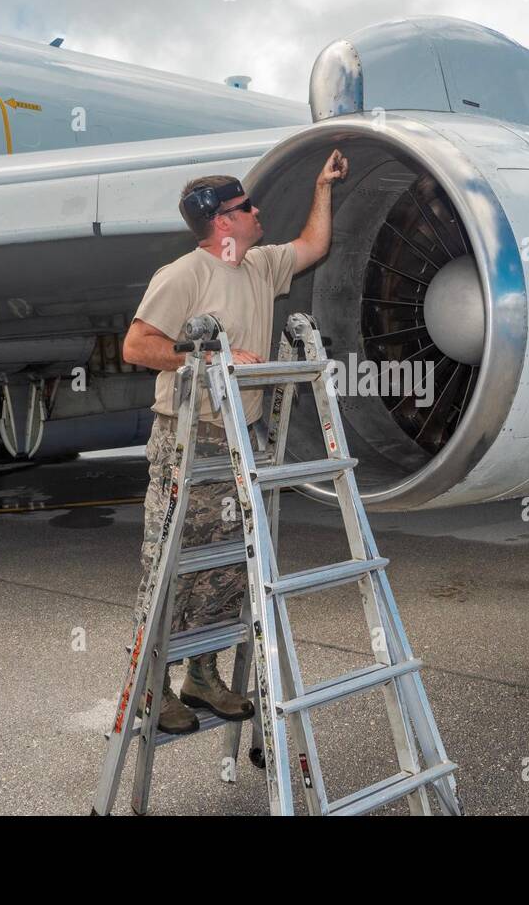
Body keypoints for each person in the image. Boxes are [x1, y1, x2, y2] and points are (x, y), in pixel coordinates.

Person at [121, 149, 349, 733]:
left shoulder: (259, 265)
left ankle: (203, 675)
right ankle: (153, 687)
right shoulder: (183, 276)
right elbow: (137, 347)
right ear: (223, 220)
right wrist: (205, 352)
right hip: (188, 439)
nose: (257, 210)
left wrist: (323, 185)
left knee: (226, 566)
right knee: (173, 564)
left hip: (240, 437)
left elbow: (313, 246)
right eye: (247, 206)